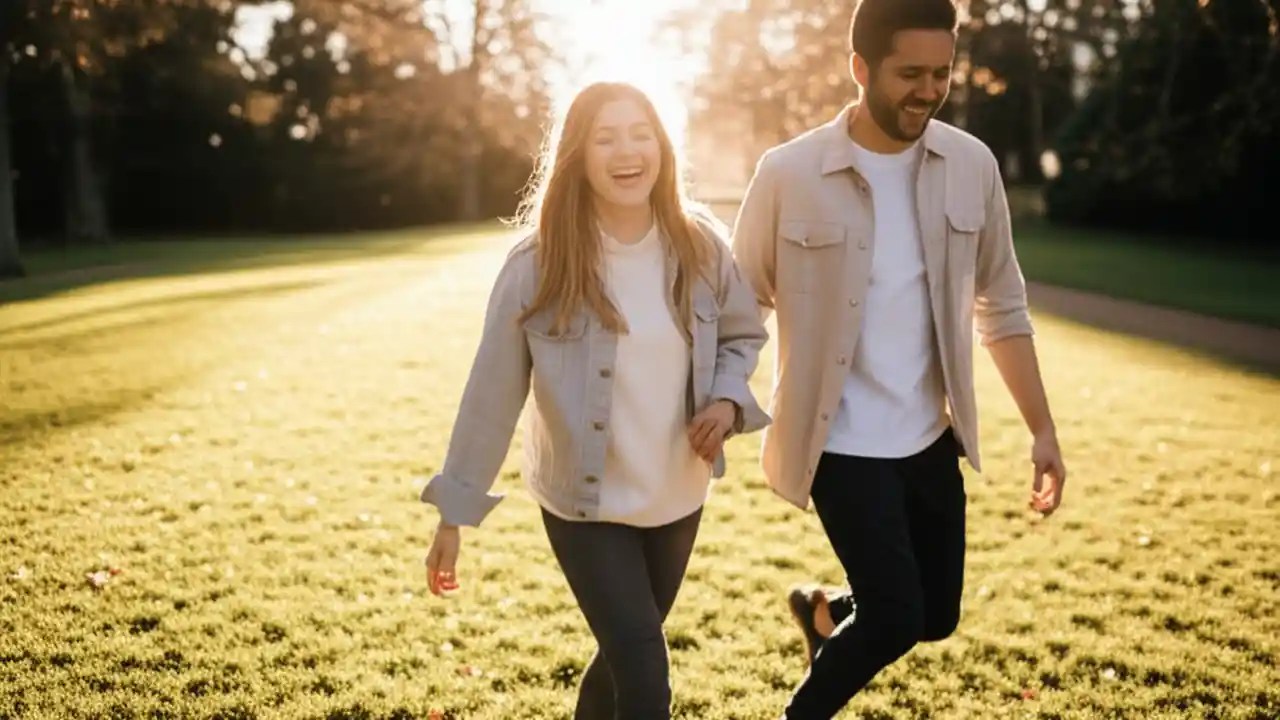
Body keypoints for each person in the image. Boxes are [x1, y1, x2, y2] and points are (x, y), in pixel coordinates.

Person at [729, 1, 1069, 717]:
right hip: (839, 443)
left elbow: (1001, 306)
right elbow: (739, 305)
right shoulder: (789, 173)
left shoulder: (970, 166)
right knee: (892, 617)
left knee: (933, 617)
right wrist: (720, 396)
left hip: (926, 438)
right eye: (909, 72)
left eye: (941, 72)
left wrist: (1042, 430)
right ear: (859, 68)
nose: (928, 88)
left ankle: (823, 614)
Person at [420, 80, 770, 720]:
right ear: (577, 154)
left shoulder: (700, 248)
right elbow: (491, 393)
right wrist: (454, 514)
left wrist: (726, 401)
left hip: (676, 494)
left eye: (641, 134)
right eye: (606, 137)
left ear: (662, 146)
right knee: (644, 676)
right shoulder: (539, 264)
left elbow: (743, 336)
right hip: (585, 507)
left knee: (619, 663)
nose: (627, 151)